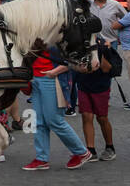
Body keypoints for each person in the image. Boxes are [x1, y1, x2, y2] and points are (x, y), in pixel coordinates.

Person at [22, 43, 92, 171]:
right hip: (38, 78)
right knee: (39, 121)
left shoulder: (58, 32)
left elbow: (73, 59)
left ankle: (81, 152)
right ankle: (41, 158)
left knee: (54, 120)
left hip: (51, 79)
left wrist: (54, 72)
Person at [75, 38, 120, 161]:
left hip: (101, 85)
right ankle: (91, 150)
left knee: (102, 118)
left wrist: (100, 52)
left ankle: (110, 147)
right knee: (86, 116)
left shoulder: (102, 45)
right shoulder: (77, 45)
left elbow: (106, 68)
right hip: (83, 84)